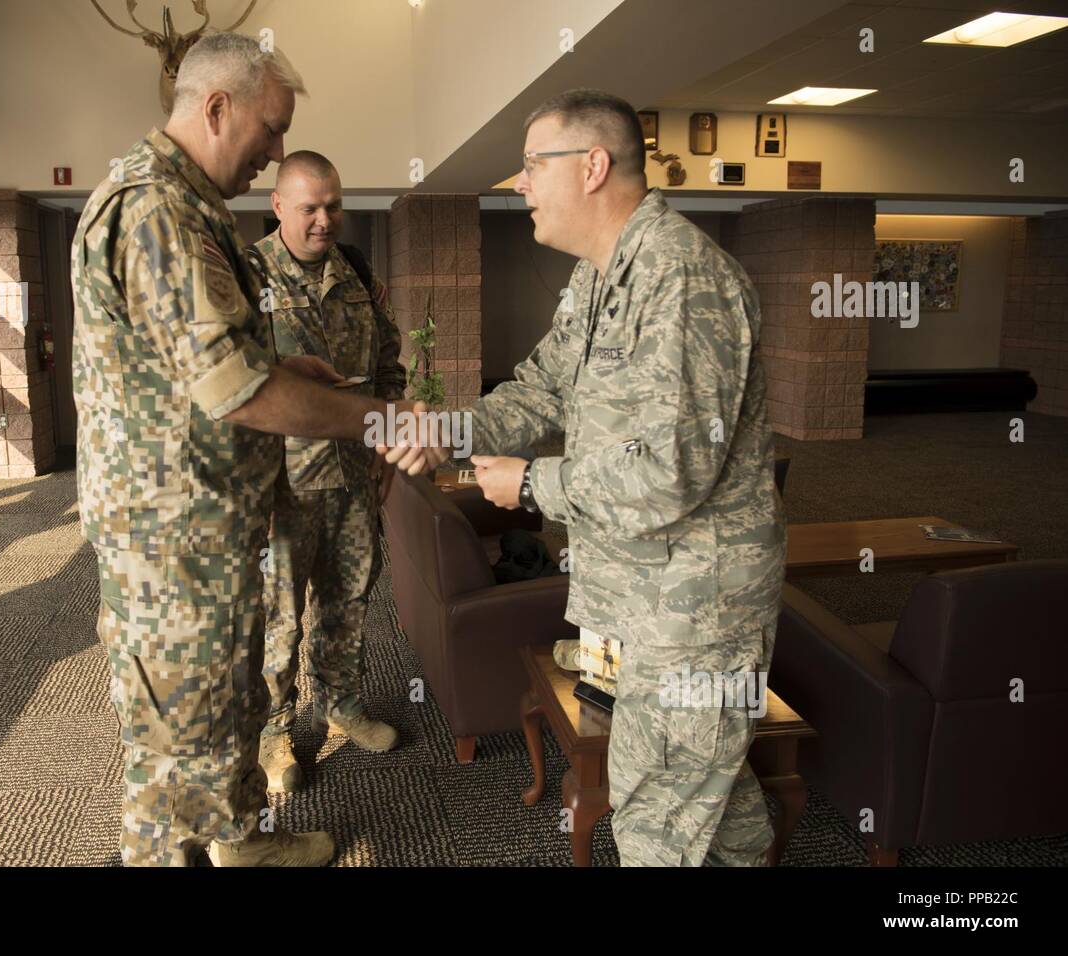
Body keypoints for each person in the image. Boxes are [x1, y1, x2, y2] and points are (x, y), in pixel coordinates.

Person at [381, 89, 785, 866]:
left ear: (593, 166)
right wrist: (449, 431)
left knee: (653, 819)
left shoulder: (684, 278)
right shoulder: (599, 279)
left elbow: (672, 473)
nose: (519, 183)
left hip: (693, 612)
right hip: (629, 595)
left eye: (533, 165)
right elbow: (542, 388)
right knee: (716, 797)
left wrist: (533, 485)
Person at [71, 33, 422, 867]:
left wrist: (277, 365)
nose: (274, 151)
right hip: (175, 545)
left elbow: (209, 366)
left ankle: (237, 845)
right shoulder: (158, 210)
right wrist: (376, 419)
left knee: (205, 722)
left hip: (203, 527)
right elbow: (233, 389)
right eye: (271, 129)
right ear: (216, 107)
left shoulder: (190, 209)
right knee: (175, 744)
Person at [244, 151, 407, 792]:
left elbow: (389, 362)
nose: (323, 220)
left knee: (349, 605)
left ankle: (342, 706)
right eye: (309, 207)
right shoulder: (244, 275)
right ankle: (273, 730)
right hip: (281, 487)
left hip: (352, 479)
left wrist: (387, 441)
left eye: (333, 206)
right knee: (279, 616)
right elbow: (228, 386)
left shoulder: (357, 273)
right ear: (278, 204)